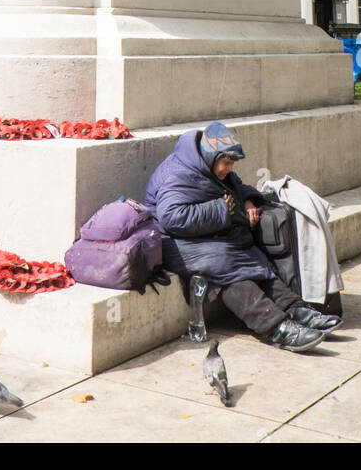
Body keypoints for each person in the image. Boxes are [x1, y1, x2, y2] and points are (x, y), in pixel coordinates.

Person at [145, 121, 342, 352]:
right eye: (226, 163)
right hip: (177, 243)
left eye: (231, 164)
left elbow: (237, 186)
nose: (229, 168)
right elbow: (172, 218)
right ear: (211, 156)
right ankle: (276, 327)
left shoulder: (210, 165)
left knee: (252, 258)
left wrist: (248, 200)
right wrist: (220, 209)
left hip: (204, 235)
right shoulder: (179, 174)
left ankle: (295, 309)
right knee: (228, 268)